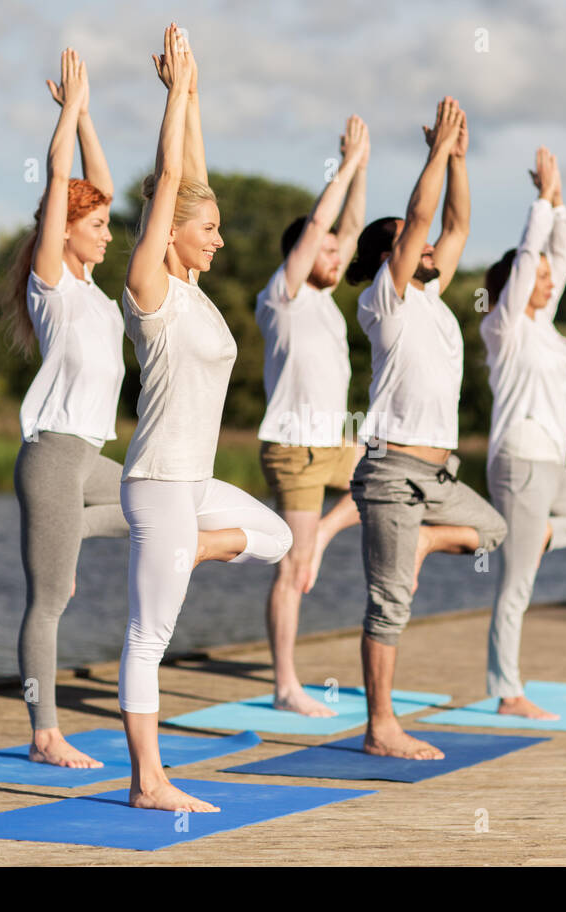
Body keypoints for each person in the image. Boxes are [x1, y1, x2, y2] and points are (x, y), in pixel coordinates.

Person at [120, 25, 293, 812]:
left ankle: (195, 550)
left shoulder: (192, 294)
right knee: (148, 636)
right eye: (209, 228)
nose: (220, 239)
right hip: (157, 481)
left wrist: (194, 91)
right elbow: (169, 177)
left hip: (191, 486)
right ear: (172, 233)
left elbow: (189, 173)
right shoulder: (151, 295)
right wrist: (173, 95)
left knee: (282, 538)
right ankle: (147, 781)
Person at [343, 97, 507, 760]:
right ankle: (380, 726)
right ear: (393, 256)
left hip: (438, 476)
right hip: (390, 472)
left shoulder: (433, 298)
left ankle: (423, 544)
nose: (436, 245)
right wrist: (434, 151)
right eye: (419, 246)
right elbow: (420, 218)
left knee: (495, 530)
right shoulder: (384, 297)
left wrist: (460, 159)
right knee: (389, 608)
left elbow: (456, 220)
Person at [0, 48, 128, 769]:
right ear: (67, 227)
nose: (110, 231)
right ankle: (45, 734)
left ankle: (74, 530)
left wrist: (90, 117)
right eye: (98, 224)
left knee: (160, 501)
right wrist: (68, 112)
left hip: (92, 460)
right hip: (52, 455)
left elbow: (95, 184)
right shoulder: (53, 286)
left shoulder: (100, 296)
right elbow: (63, 182)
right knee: (50, 599)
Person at [480, 147, 566, 720]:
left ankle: (539, 535)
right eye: (533, 277)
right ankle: (507, 691)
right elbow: (536, 251)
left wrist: (559, 201)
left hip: (551, 466)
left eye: (545, 280)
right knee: (517, 586)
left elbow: (558, 253)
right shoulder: (505, 326)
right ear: (516, 281)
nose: (545, 281)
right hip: (519, 461)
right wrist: (538, 203)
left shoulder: (546, 326)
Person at [255, 115, 369, 717]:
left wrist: (364, 163)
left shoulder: (326, 301)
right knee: (293, 566)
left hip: (335, 443)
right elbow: (325, 225)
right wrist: (345, 165)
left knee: (384, 485)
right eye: (323, 249)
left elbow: (346, 227)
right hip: (293, 447)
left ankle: (324, 533)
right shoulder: (284, 294)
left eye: (336, 251)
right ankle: (286, 687)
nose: (335, 253)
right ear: (300, 255)